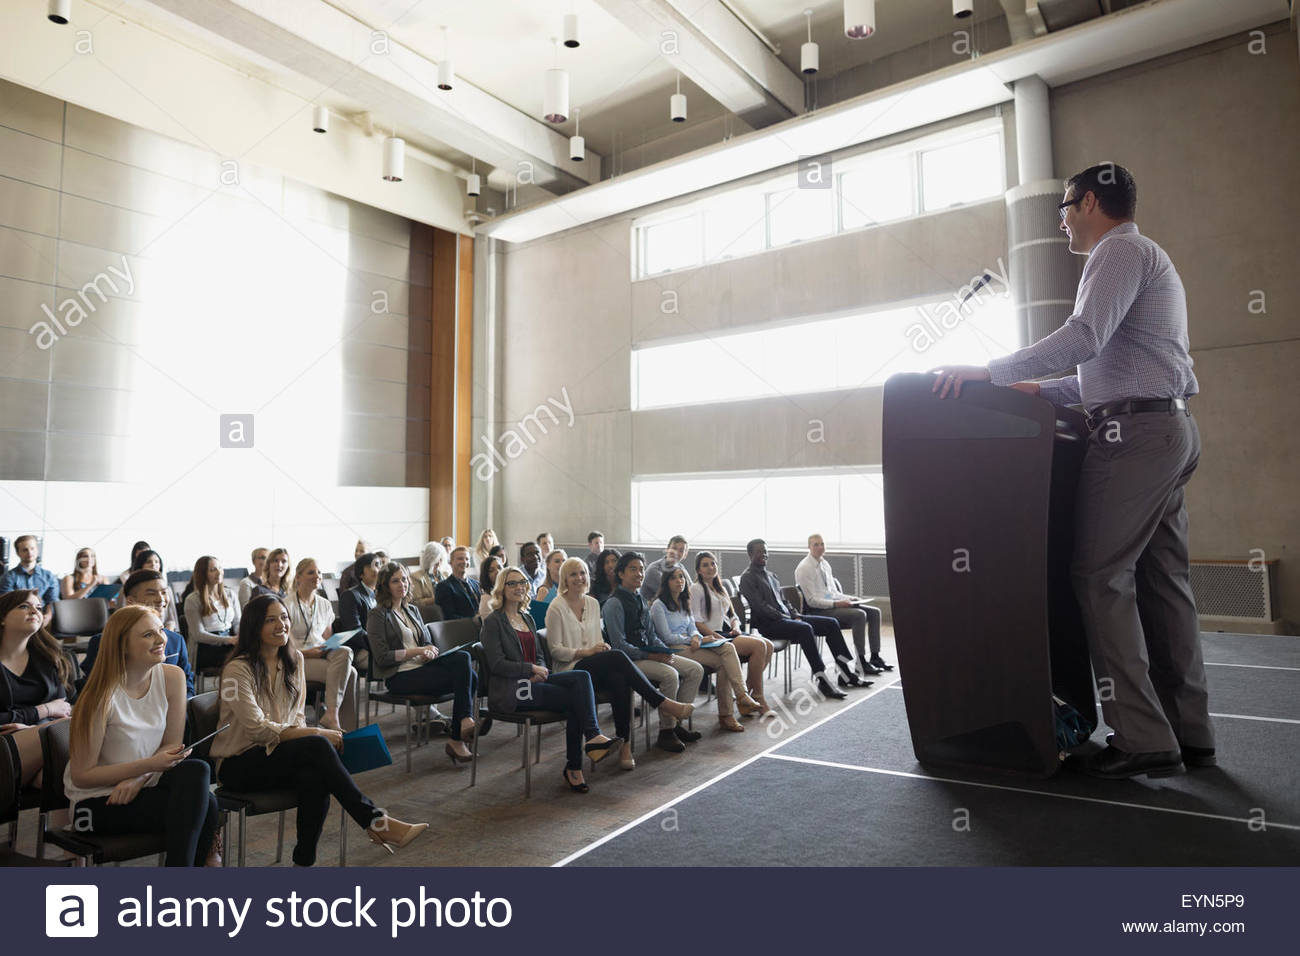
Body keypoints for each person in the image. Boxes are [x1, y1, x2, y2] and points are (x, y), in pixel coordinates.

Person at [929, 163, 1212, 780]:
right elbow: (1093, 375)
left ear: (1088, 202)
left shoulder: (1117, 251)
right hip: (1164, 427)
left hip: (1134, 437)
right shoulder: (1143, 256)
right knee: (1164, 587)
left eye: (1063, 207)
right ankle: (1189, 734)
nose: (1059, 220)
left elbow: (1083, 337)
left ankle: (1141, 737)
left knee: (1098, 576)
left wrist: (989, 371)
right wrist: (1033, 388)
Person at [211, 595, 427, 864]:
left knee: (316, 775)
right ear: (254, 627)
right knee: (317, 744)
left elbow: (298, 717)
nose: (281, 624)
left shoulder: (294, 660)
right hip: (239, 764)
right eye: (270, 620)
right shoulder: (238, 669)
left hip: (278, 755)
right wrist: (316, 733)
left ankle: (304, 861)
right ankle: (375, 821)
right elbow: (257, 730)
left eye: (284, 617)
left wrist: (310, 733)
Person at [65, 605, 220, 866]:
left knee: (198, 773)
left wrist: (139, 777)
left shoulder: (173, 677)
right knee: (206, 803)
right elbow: (82, 776)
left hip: (144, 786)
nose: (161, 639)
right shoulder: (99, 697)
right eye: (148, 635)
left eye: (160, 630)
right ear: (122, 645)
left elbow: (171, 744)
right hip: (95, 804)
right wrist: (148, 766)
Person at [546, 558, 695, 771]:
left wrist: (600, 648)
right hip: (570, 671)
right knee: (617, 657)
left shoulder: (593, 603)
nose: (579, 578)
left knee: (620, 678)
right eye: (573, 574)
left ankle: (625, 744)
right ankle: (661, 702)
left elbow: (598, 640)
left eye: (582, 573)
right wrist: (587, 652)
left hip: (593, 665)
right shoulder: (556, 607)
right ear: (564, 579)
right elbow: (556, 650)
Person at [481, 567, 621, 793]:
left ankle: (589, 743)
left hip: (535, 681)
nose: (519, 588)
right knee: (575, 699)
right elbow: (497, 664)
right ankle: (577, 763)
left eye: (522, 583)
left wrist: (541, 669)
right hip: (513, 690)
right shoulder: (493, 622)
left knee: (581, 677)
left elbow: (538, 654)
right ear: (501, 589)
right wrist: (530, 669)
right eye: (512, 584)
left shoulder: (526, 617)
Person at [366, 562, 477, 764]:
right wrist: (416, 651)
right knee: (469, 677)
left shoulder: (412, 610)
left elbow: (426, 641)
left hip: (422, 668)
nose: (403, 584)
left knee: (465, 662)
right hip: (399, 675)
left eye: (405, 579)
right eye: (395, 581)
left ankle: (459, 727)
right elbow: (382, 657)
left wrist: (429, 651)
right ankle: (460, 728)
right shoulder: (378, 614)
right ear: (385, 586)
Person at [739, 539, 871, 700]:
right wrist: (789, 618)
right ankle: (822, 680)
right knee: (805, 629)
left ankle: (845, 673)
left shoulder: (771, 575)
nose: (764, 554)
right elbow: (760, 607)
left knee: (831, 624)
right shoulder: (747, 578)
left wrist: (795, 615)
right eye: (759, 551)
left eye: (766, 551)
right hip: (769, 624)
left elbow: (784, 601)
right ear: (750, 554)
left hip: (786, 618)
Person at [602, 552, 704, 753]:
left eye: (641, 569)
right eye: (633, 569)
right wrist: (651, 655)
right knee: (670, 675)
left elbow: (651, 635)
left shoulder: (640, 599)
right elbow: (619, 645)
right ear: (621, 574)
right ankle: (666, 733)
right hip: (630, 660)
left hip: (649, 652)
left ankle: (675, 724)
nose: (639, 574)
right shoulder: (614, 603)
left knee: (695, 670)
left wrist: (664, 651)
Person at [650, 567, 762, 732]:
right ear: (666, 583)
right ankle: (732, 706)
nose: (679, 580)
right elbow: (666, 637)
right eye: (673, 578)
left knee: (727, 651)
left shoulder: (683, 601)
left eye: (681, 577)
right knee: (725, 659)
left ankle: (733, 706)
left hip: (691, 644)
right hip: (673, 648)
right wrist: (693, 639)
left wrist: (697, 637)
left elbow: (692, 627)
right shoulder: (658, 606)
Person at [0, 590, 75, 792]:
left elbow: (64, 709)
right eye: (24, 606)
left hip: (39, 741)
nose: (34, 611)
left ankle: (67, 824)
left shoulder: (49, 657)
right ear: (2, 618)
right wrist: (44, 710)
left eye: (39, 607)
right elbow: (56, 711)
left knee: (61, 774)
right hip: (5, 746)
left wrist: (32, 729)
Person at [85, 571, 195, 697]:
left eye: (164, 592)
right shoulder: (104, 642)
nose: (161, 599)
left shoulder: (176, 640)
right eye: (151, 593)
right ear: (131, 601)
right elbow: (94, 690)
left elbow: (188, 688)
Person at [691, 552, 775, 717]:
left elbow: (732, 615)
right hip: (713, 635)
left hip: (728, 631)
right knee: (759, 646)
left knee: (769, 645)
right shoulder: (696, 589)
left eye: (712, 564)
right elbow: (696, 621)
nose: (710, 568)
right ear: (699, 570)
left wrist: (736, 626)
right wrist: (717, 637)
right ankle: (757, 697)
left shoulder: (719, 587)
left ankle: (747, 696)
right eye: (705, 565)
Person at [795, 534, 891, 676]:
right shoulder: (804, 568)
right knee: (859, 615)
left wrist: (849, 598)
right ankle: (861, 661)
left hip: (831, 604)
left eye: (822, 544)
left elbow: (830, 592)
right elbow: (812, 601)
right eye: (816, 544)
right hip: (818, 611)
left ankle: (875, 657)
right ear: (809, 547)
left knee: (875, 612)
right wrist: (837, 604)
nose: (820, 547)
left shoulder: (824, 564)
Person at [289, 558, 357, 733]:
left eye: (318, 572)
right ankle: (341, 725)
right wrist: (309, 652)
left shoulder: (325, 604)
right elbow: (284, 647)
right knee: (351, 673)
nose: (317, 576)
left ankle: (333, 717)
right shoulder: (286, 604)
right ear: (298, 577)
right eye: (311, 572)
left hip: (321, 653)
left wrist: (331, 645)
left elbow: (327, 637)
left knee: (346, 651)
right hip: (299, 658)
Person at [183, 556, 239, 677]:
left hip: (229, 641)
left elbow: (237, 623)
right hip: (207, 647)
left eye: (220, 568)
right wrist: (228, 640)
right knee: (235, 660)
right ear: (203, 574)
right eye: (213, 569)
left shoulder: (231, 594)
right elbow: (198, 635)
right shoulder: (192, 599)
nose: (219, 572)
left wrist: (240, 637)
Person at [0, 535, 59, 627]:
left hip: (43, 619)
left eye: (32, 548)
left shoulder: (49, 576)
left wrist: (48, 616)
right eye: (25, 550)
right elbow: (7, 603)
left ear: (37, 550)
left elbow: (53, 601)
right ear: (18, 553)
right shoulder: (8, 577)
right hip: (19, 619)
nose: (29, 552)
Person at [337, 552, 382, 659]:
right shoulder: (350, 595)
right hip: (360, 649)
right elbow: (354, 631)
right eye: (373, 565)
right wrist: (379, 644)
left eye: (379, 565)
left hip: (379, 646)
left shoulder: (381, 595)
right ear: (361, 573)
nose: (378, 569)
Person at [121, 550, 180, 631]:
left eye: (157, 562)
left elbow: (172, 619)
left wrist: (166, 634)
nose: (153, 565)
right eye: (149, 562)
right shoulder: (130, 588)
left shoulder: (167, 588)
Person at [435, 547, 482, 621]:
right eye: (460, 559)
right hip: (460, 629)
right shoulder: (443, 586)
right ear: (450, 562)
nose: (464, 562)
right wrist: (473, 621)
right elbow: (448, 616)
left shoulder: (477, 584)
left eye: (467, 559)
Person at [640, 535, 691, 602]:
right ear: (667, 549)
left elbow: (691, 589)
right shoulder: (654, 570)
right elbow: (671, 594)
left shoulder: (680, 567)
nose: (676, 553)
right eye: (674, 548)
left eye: (681, 551)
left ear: (685, 555)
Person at [410, 541, 451, 612]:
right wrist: (436, 599)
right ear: (428, 560)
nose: (438, 563)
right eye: (435, 560)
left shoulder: (446, 574)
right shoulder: (416, 577)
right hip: (429, 613)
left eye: (441, 559)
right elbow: (416, 603)